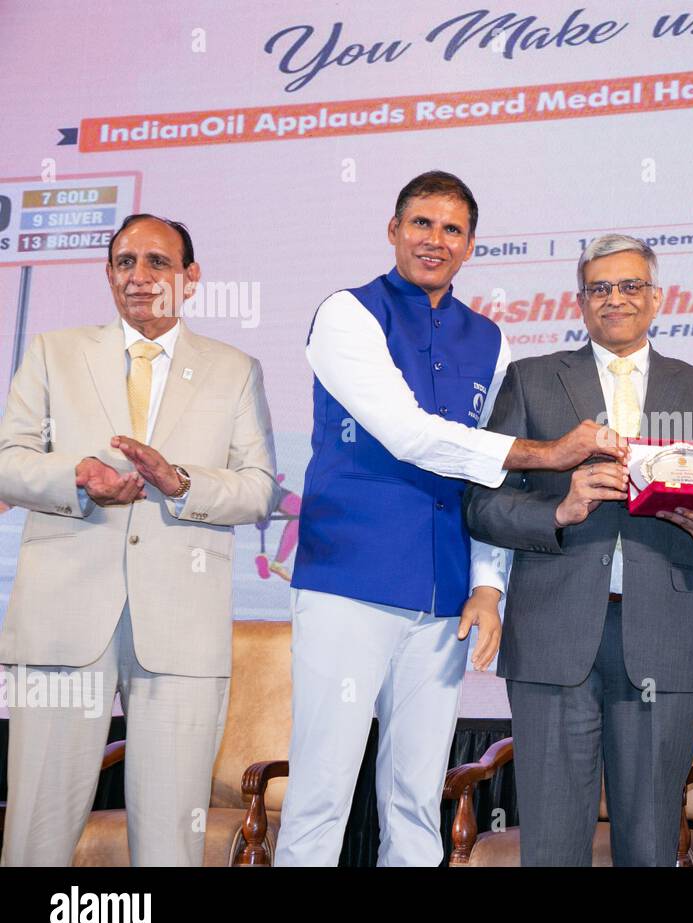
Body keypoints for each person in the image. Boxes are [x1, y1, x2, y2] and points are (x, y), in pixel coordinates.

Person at [276, 171, 616, 867]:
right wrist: (549, 449)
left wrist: (488, 585)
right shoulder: (348, 314)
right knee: (321, 792)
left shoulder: (489, 342)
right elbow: (410, 435)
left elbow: (493, 484)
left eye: (452, 229)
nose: (435, 240)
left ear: (469, 247)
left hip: (443, 594)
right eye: (422, 223)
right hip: (349, 583)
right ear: (394, 229)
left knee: (416, 797)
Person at [0, 214, 278, 865]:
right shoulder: (52, 352)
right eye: (125, 262)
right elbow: (7, 460)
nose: (139, 276)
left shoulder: (234, 369)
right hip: (61, 621)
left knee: (169, 840)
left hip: (180, 632)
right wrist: (77, 476)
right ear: (108, 274)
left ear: (190, 278)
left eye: (157, 262)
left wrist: (180, 482)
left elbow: (260, 489)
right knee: (35, 831)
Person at [463, 234, 693, 866]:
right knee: (553, 846)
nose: (615, 299)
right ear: (582, 300)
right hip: (552, 636)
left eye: (631, 286)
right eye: (600, 288)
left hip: (662, 636)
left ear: (657, 297)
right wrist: (559, 510)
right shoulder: (531, 382)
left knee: (649, 846)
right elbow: (481, 507)